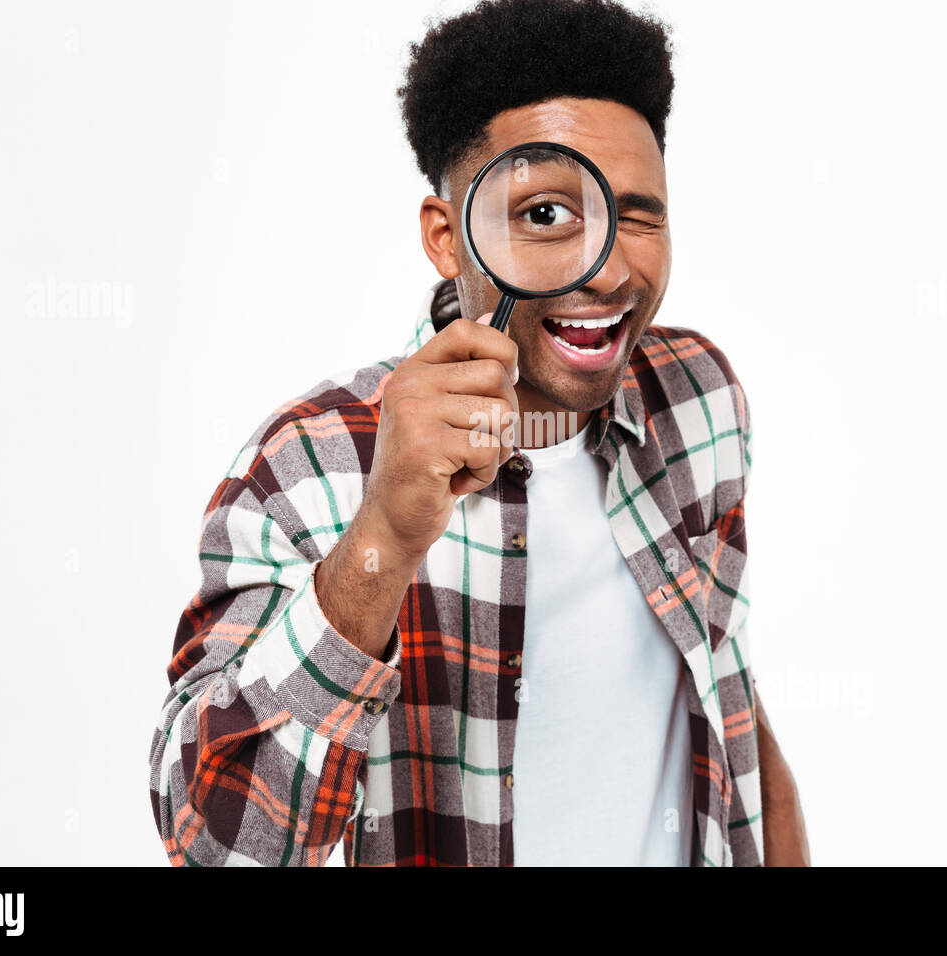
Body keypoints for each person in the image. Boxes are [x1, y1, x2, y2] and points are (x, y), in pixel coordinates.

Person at [148, 0, 809, 866]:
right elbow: (216, 841)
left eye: (639, 214)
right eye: (544, 215)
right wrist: (384, 535)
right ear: (445, 237)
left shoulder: (700, 397)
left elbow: (725, 693)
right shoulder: (309, 464)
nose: (608, 268)